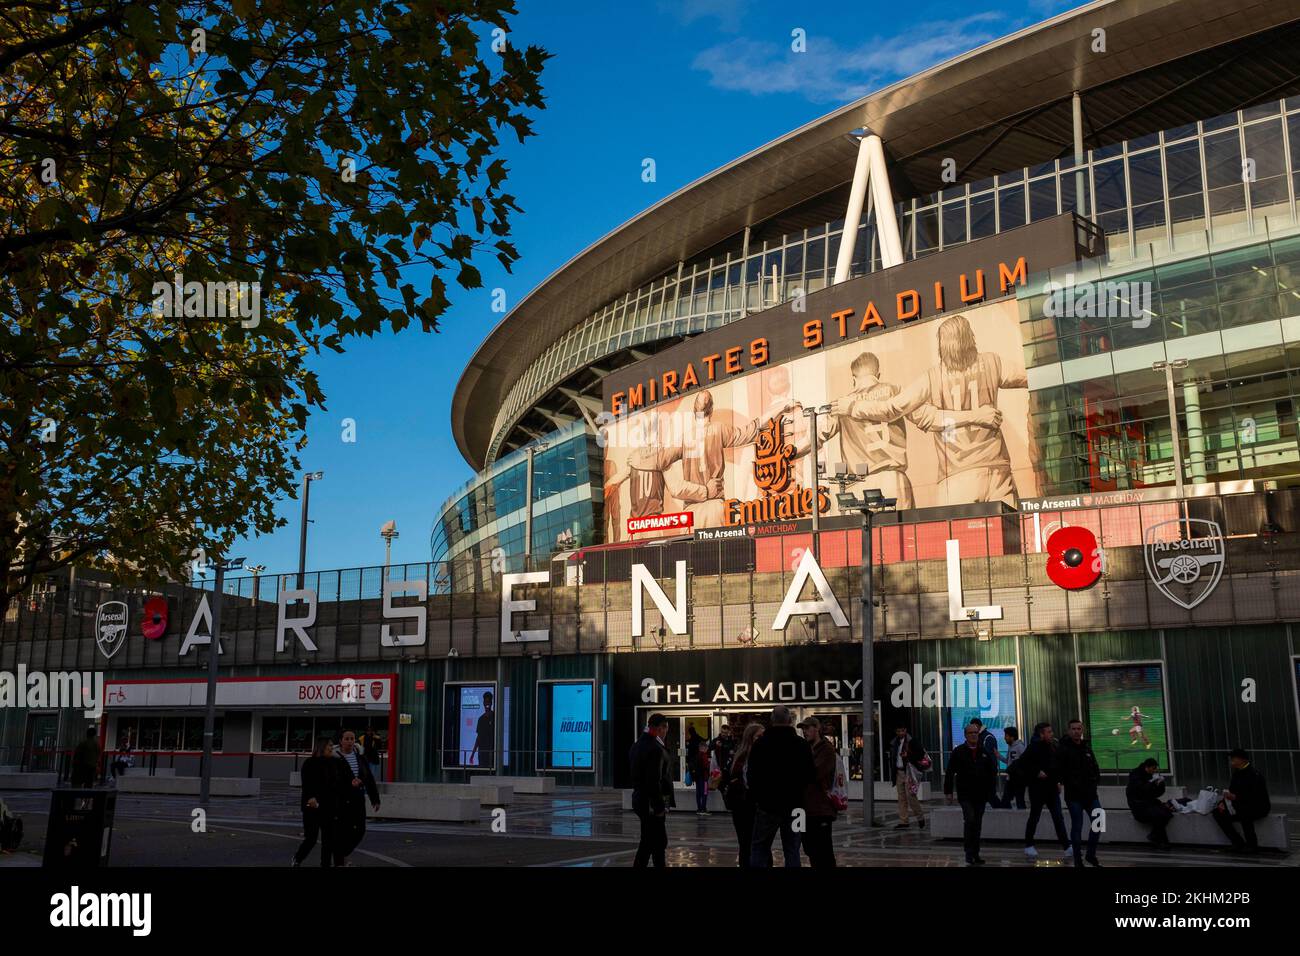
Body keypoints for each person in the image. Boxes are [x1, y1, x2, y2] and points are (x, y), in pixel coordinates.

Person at [840, 311, 1028, 507]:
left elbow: (892, 408)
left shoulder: (931, 378)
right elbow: (1032, 376)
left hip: (955, 476)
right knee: (1011, 530)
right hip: (997, 468)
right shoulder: (992, 362)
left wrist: (853, 406)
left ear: (941, 345)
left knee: (955, 536)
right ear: (970, 337)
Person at [747, 705, 815, 867]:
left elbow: (752, 776)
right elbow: (810, 775)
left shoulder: (761, 744)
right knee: (793, 849)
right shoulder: (802, 745)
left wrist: (759, 798)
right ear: (790, 721)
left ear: (772, 720)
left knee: (759, 847)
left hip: (767, 805)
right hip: (796, 807)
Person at [944, 722, 998, 865]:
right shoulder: (959, 752)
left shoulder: (984, 751)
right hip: (965, 794)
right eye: (971, 733)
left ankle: (976, 853)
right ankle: (969, 853)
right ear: (965, 735)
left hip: (981, 794)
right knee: (970, 820)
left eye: (976, 733)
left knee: (977, 823)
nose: (974, 735)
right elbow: (950, 772)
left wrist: (991, 791)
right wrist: (948, 792)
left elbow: (992, 772)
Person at [1018, 722, 1071, 862]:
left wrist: (1058, 781)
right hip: (1037, 789)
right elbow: (1022, 764)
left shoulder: (1053, 746)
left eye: (1051, 731)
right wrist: (1036, 772)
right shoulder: (1033, 748)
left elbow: (1057, 765)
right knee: (1034, 817)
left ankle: (1067, 846)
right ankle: (1029, 845)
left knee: (1058, 818)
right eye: (1048, 732)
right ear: (1041, 734)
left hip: (1052, 788)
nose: (1051, 734)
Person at [629, 713, 674, 867]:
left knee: (651, 841)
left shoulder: (638, 744)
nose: (666, 731)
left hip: (640, 799)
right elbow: (653, 780)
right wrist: (659, 806)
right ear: (660, 728)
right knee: (656, 842)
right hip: (651, 803)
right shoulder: (654, 748)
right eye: (665, 727)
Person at [332, 729, 381, 866]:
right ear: (340, 741)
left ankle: (341, 853)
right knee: (342, 832)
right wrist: (348, 783)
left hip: (358, 799)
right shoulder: (334, 758)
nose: (350, 741)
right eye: (346, 739)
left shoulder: (360, 757)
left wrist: (375, 799)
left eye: (352, 739)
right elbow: (332, 780)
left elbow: (369, 779)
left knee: (360, 830)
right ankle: (339, 860)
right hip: (341, 801)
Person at [1059, 718, 1102, 867]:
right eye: (1074, 729)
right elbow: (1059, 770)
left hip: (1090, 794)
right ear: (1069, 731)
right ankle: (1078, 859)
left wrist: (1095, 781)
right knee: (1077, 826)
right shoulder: (1064, 749)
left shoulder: (1086, 748)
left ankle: (1090, 855)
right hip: (1074, 796)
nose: (1077, 731)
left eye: (1079, 729)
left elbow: (1095, 767)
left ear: (1082, 730)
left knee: (1099, 822)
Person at [1212, 749, 1271, 852]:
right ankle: (1237, 842)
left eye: (1233, 759)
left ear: (1242, 760)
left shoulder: (1254, 774)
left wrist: (1236, 798)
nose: (1231, 761)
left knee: (1244, 812)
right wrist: (1222, 803)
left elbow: (1256, 797)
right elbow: (1232, 791)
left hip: (1257, 807)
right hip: (1239, 804)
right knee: (1218, 812)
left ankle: (1252, 845)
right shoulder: (1237, 774)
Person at [799, 717, 839, 868]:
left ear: (817, 728)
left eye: (808, 728)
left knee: (823, 850)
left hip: (821, 808)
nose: (804, 731)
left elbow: (814, 773)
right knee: (809, 848)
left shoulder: (826, 749)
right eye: (803, 728)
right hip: (804, 808)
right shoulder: (807, 748)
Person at [722, 723, 763, 868]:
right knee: (747, 844)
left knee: (754, 844)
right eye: (759, 736)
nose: (762, 739)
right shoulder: (741, 756)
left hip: (750, 805)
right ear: (750, 738)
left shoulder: (752, 755)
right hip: (744, 806)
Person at [294, 737, 339, 867]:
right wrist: (310, 798)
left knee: (328, 840)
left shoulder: (334, 763)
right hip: (312, 807)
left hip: (329, 806)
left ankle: (325, 864)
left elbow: (336, 783)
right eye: (329, 745)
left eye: (332, 745)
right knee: (311, 839)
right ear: (321, 747)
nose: (331, 748)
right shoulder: (310, 763)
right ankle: (297, 858)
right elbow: (307, 783)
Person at [888, 723, 929, 829]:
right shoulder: (895, 742)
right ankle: (904, 821)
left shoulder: (912, 741)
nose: (900, 733)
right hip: (899, 771)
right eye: (898, 731)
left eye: (902, 730)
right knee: (901, 797)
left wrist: (908, 755)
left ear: (905, 730)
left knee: (911, 796)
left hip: (909, 771)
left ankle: (920, 817)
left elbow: (921, 755)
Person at [1126, 758, 1173, 849]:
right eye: (1154, 768)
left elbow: (1155, 794)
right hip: (1138, 806)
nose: (1155, 771)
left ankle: (1155, 836)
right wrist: (1153, 784)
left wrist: (1160, 785)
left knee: (1166, 813)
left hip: (1148, 803)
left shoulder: (1149, 776)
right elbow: (1142, 790)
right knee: (1159, 815)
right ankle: (1161, 841)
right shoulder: (1135, 776)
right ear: (1147, 767)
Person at [970, 718, 1000, 807]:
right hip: (982, 772)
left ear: (978, 726)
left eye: (973, 727)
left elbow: (988, 756)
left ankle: (1001, 810)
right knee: (984, 795)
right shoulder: (980, 737)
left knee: (990, 795)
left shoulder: (987, 737)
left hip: (988, 772)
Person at [999, 726, 1027, 809]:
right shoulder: (1010, 747)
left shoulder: (1020, 747)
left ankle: (1021, 816)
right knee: (1006, 800)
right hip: (1010, 778)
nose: (1005, 738)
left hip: (1018, 778)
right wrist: (999, 756)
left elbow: (1025, 760)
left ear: (1012, 737)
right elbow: (1008, 761)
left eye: (1006, 736)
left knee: (1019, 800)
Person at [684, 726, 710, 814]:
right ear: (704, 748)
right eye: (706, 748)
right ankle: (703, 809)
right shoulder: (704, 756)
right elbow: (706, 766)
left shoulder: (696, 756)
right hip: (704, 778)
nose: (707, 750)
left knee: (698, 793)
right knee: (705, 792)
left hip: (697, 778)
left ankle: (699, 808)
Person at [470, 691, 494, 770]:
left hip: (492, 753)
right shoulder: (481, 719)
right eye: (486, 702)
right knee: (482, 772)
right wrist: (473, 754)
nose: (487, 704)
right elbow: (478, 738)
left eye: (489, 702)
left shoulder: (495, 717)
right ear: (483, 703)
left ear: (491, 703)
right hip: (482, 753)